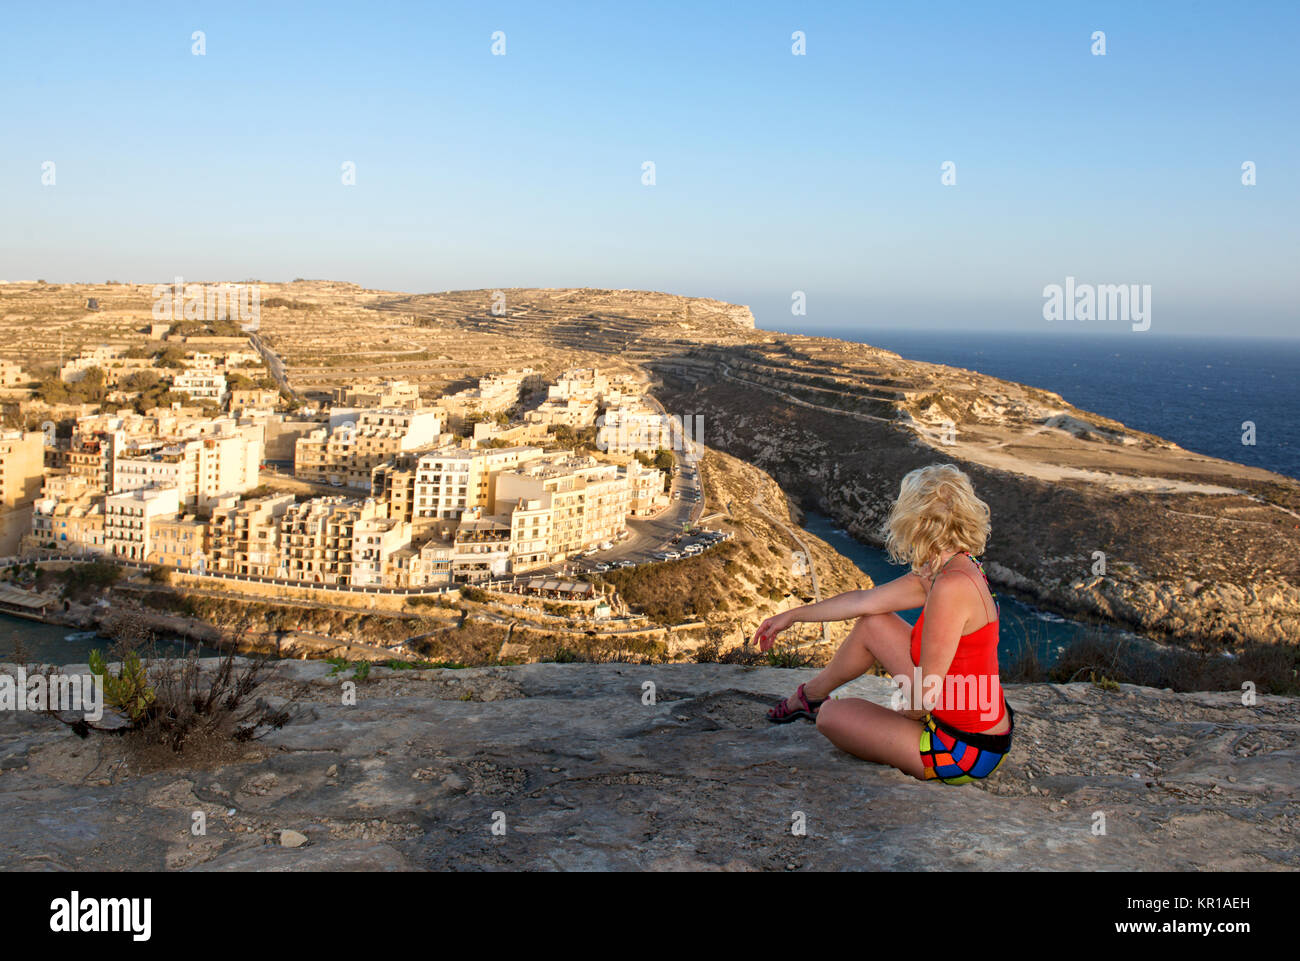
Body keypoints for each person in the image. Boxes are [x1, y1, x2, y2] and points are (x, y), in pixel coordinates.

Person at [753, 463, 1014, 784]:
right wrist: (792, 616)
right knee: (874, 623)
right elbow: (864, 602)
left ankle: (825, 709)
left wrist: (900, 721)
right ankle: (808, 697)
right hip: (973, 713)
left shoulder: (949, 588)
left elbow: (926, 695)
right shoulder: (948, 569)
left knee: (832, 717)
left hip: (965, 748)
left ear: (914, 522)